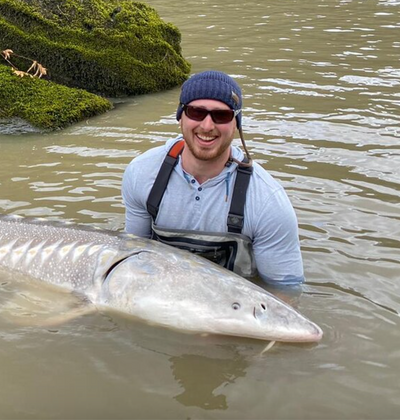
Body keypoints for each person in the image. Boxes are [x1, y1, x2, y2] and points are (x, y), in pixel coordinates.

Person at [121, 70, 304, 286]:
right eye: (196, 112)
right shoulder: (142, 173)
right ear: (181, 116)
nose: (207, 126)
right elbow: (131, 258)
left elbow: (286, 290)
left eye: (222, 116)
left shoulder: (268, 201)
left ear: (236, 124)